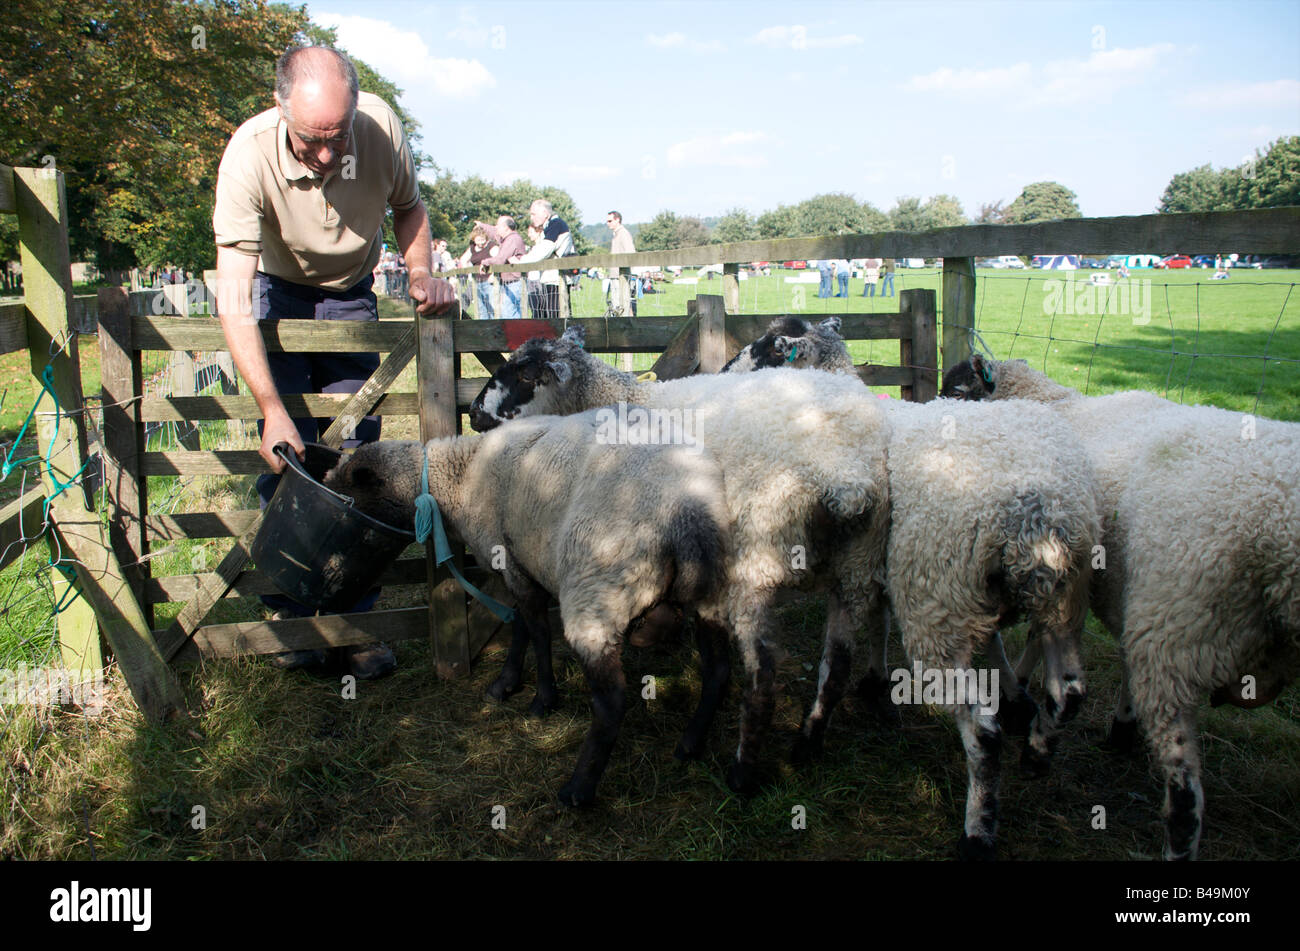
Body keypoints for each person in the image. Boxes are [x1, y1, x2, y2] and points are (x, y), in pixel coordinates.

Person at [212, 45, 455, 678]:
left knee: (356, 468)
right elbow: (234, 296)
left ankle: (354, 625)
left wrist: (421, 271)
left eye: (337, 137)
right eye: (310, 139)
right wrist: (270, 410)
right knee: (288, 461)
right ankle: (295, 622)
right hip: (277, 294)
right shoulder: (247, 154)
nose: (325, 154)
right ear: (279, 107)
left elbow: (409, 207)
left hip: (351, 296)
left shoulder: (380, 130)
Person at [517, 199, 573, 320]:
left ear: (544, 212)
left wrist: (521, 261)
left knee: (558, 317)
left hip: (556, 280)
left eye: (533, 214)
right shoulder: (550, 225)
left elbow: (544, 249)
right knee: (554, 316)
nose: (531, 218)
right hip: (552, 278)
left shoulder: (556, 224)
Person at [476, 216, 526, 319]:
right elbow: (493, 232)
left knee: (509, 313)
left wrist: (485, 262)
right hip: (511, 281)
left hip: (514, 282)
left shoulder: (512, 239)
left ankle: (515, 334)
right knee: (509, 312)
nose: (496, 227)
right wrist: (481, 225)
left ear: (506, 227)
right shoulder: (507, 238)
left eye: (498, 225)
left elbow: (500, 259)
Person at [458, 225, 500, 318]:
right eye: (478, 240)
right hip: (477, 282)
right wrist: (468, 272)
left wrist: (493, 275)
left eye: (482, 240)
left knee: (492, 308)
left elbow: (498, 260)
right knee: (481, 309)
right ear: (474, 239)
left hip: (489, 282)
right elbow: (463, 259)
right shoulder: (472, 248)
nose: (481, 243)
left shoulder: (491, 246)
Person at [605, 210, 638, 316]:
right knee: (617, 305)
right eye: (607, 221)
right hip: (615, 275)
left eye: (610, 221)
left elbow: (630, 253)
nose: (608, 223)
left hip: (622, 276)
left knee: (623, 305)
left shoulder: (623, 233)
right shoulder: (616, 234)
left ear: (617, 220)